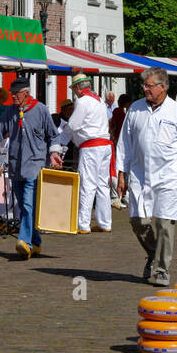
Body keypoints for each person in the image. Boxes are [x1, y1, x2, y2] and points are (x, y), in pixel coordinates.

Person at [115, 66, 177, 287]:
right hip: (140, 176)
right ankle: (153, 253)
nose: (145, 89)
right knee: (138, 222)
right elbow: (125, 144)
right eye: (144, 85)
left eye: (149, 85)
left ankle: (162, 269)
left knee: (164, 223)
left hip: (169, 177)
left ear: (163, 87)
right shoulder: (135, 109)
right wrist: (121, 174)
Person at [0, 74, 63, 258]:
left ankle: (24, 241)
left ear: (26, 93)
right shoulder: (10, 112)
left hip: (35, 165)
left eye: (16, 93)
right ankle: (36, 241)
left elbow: (53, 136)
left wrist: (54, 153)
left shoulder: (40, 110)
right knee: (22, 206)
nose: (12, 96)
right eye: (11, 93)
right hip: (15, 165)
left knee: (29, 205)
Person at [57, 73, 115, 234]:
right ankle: (105, 222)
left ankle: (83, 224)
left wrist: (60, 143)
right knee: (103, 185)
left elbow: (72, 126)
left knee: (87, 184)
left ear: (77, 88)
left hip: (91, 146)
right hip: (104, 145)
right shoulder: (99, 100)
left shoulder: (82, 102)